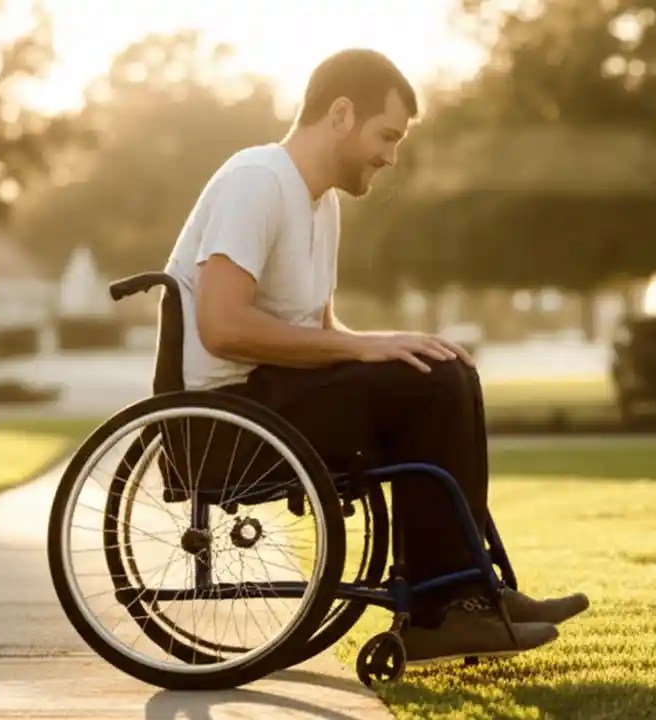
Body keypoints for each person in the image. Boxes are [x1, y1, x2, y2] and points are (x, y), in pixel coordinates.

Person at [161, 48, 588, 664]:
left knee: (445, 366)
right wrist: (369, 348)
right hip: (229, 419)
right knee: (430, 379)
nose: (390, 156)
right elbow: (223, 326)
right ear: (340, 114)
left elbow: (324, 331)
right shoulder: (256, 180)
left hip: (276, 398)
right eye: (386, 136)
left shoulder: (320, 203)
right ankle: (445, 611)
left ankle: (466, 591)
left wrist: (391, 344)